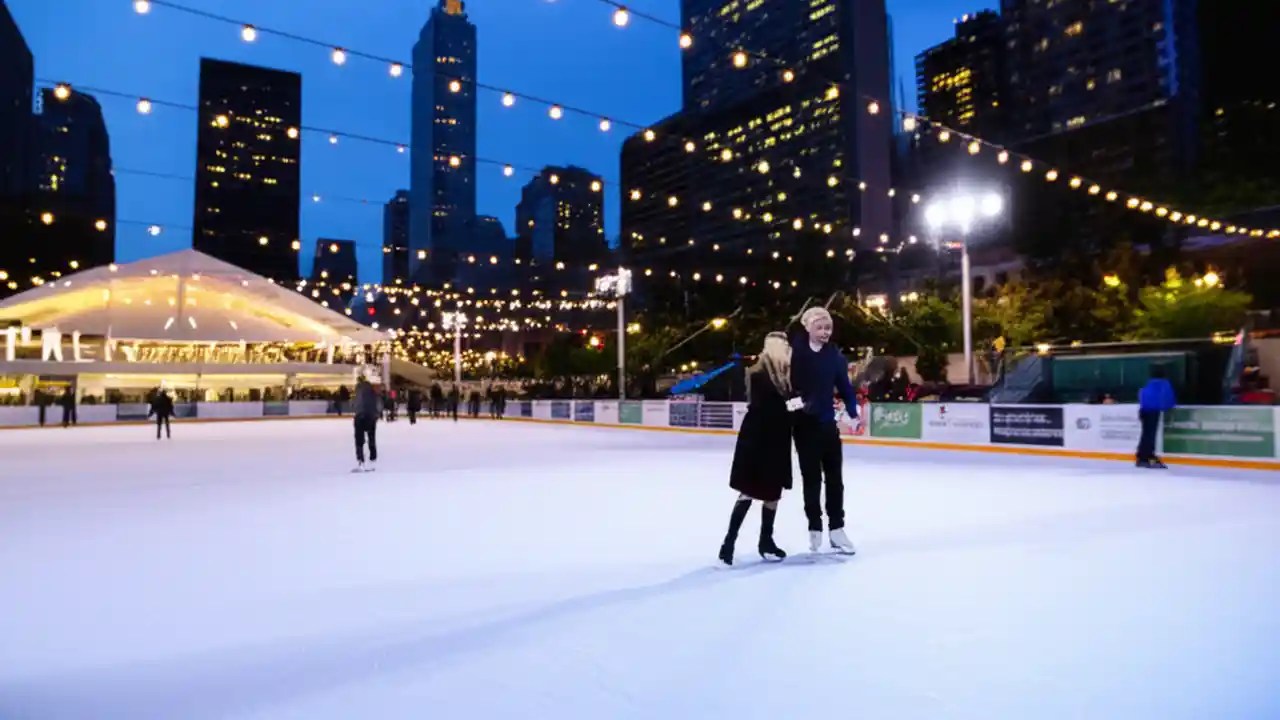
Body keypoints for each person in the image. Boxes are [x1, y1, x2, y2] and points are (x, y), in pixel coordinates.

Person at [719, 332, 796, 565]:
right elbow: (765, 405)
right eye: (782, 344)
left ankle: (766, 540)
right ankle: (729, 542)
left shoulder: (788, 375)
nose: (786, 348)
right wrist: (792, 405)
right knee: (750, 490)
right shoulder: (757, 373)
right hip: (759, 437)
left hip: (778, 436)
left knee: (773, 492)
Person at [790, 307, 859, 554]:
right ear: (807, 327)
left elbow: (845, 387)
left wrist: (853, 410)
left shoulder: (835, 357)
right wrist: (794, 402)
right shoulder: (794, 354)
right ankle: (815, 528)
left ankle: (837, 529)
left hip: (828, 425)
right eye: (819, 327)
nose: (824, 332)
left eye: (828, 328)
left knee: (835, 480)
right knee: (811, 480)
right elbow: (786, 386)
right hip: (804, 427)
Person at [1137, 365, 1177, 469]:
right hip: (1152, 412)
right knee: (1149, 435)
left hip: (1144, 411)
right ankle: (1144, 456)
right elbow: (1168, 398)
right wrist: (1169, 407)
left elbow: (1142, 394)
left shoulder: (1149, 383)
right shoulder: (1164, 384)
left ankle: (1145, 455)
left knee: (1147, 434)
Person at [352, 376, 380, 472]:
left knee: (359, 440)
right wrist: (376, 414)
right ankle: (373, 459)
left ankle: (361, 460)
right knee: (371, 438)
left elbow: (355, 404)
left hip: (360, 416)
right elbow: (378, 403)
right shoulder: (372, 391)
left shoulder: (358, 390)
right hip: (371, 417)